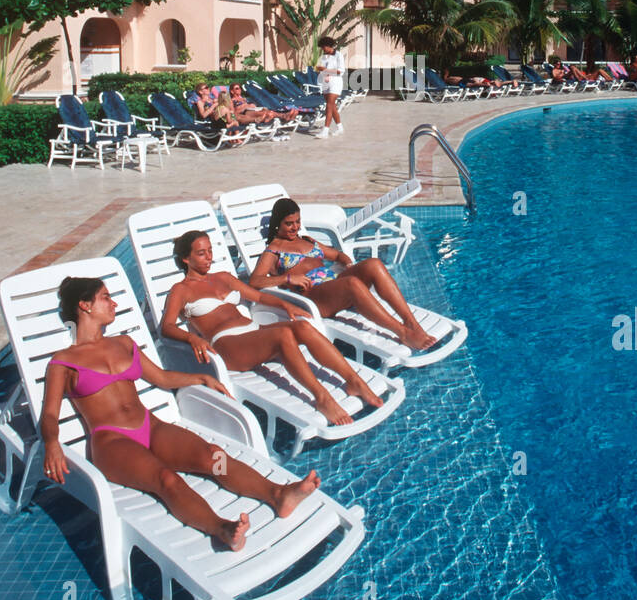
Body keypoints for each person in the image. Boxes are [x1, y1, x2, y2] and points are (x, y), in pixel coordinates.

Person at [40, 277, 320, 551]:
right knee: (166, 479)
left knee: (213, 456)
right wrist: (52, 443)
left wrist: (200, 379)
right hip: (112, 442)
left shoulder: (124, 344)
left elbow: (161, 378)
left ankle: (278, 494)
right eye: (105, 297)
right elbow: (50, 415)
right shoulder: (63, 362)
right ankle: (221, 528)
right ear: (85, 305)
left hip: (150, 426)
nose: (113, 303)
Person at [161, 231, 383, 425]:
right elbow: (167, 327)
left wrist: (286, 305)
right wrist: (192, 339)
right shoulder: (181, 290)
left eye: (210, 251)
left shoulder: (223, 277)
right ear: (186, 259)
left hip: (253, 332)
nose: (209, 257)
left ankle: (354, 381)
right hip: (228, 345)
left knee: (303, 327)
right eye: (201, 253)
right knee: (282, 333)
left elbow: (257, 295)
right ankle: (322, 398)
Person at [249, 198, 437, 353]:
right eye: (288, 224)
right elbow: (255, 281)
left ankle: (411, 322)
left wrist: (348, 264)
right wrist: (287, 279)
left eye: (297, 222)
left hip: (334, 286)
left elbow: (337, 254)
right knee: (351, 283)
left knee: (374, 264)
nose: (294, 227)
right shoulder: (273, 251)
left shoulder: (307, 240)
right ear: (277, 224)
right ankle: (403, 333)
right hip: (314, 297)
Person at [314, 37, 344, 139]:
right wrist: (321, 70)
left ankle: (325, 131)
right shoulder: (324, 57)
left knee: (329, 105)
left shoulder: (338, 55)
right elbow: (323, 70)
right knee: (332, 107)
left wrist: (326, 69)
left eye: (324, 48)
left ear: (328, 46)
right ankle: (340, 128)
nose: (323, 50)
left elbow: (340, 71)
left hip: (335, 83)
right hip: (326, 83)